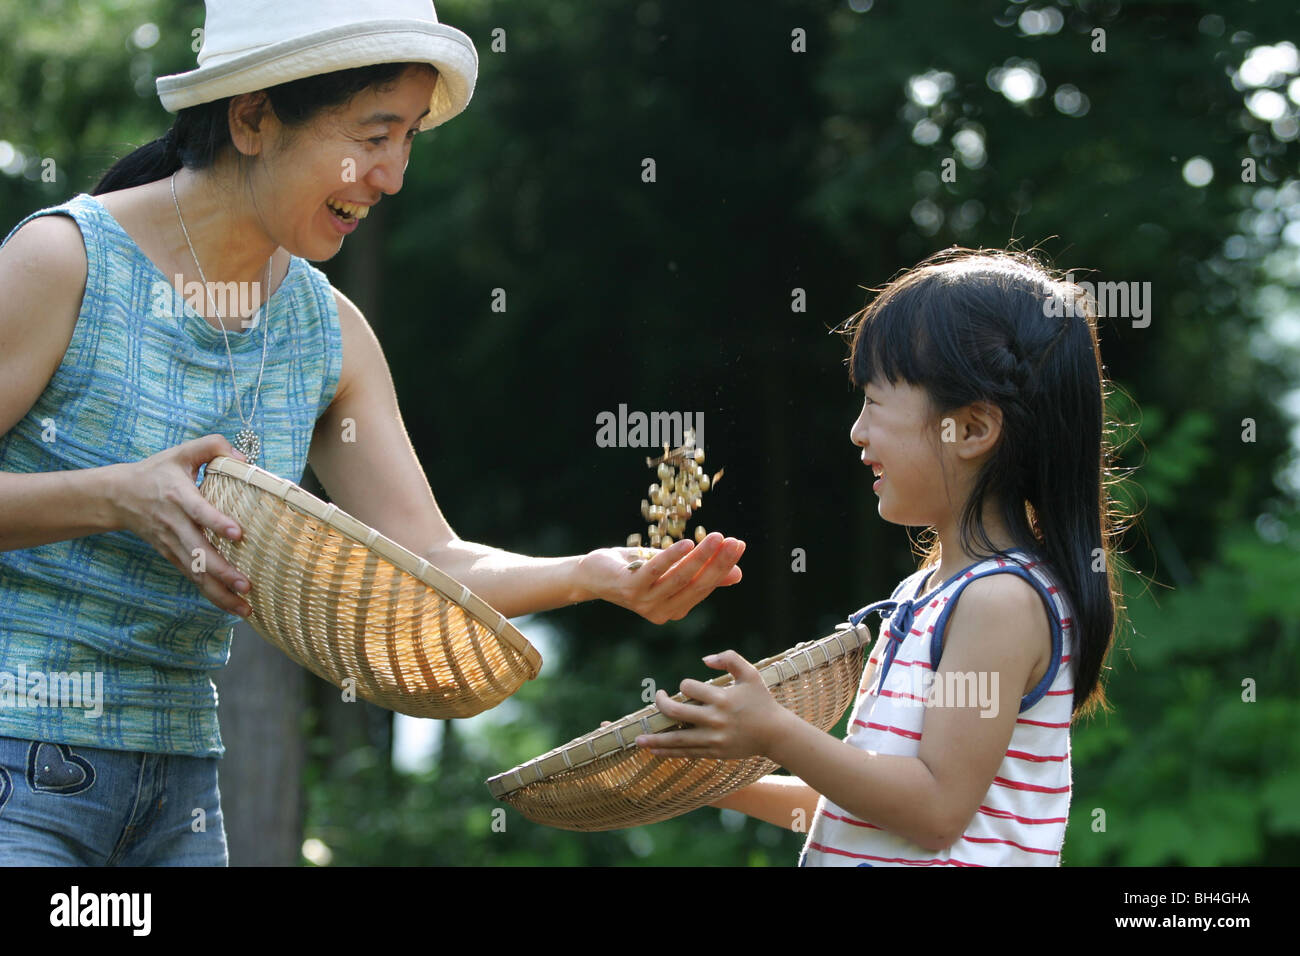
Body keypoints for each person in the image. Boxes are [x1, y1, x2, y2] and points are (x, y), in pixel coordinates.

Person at [0, 0, 744, 865]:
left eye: (409, 139)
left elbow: (430, 558)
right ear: (252, 118)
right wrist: (115, 498)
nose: (390, 176)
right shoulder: (64, 262)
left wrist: (593, 575)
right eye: (372, 134)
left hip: (181, 784)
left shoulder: (329, 334)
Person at [636, 247, 1123, 866]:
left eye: (875, 400)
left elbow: (935, 810)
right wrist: (713, 780)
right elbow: (872, 803)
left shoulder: (1000, 603)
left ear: (971, 429)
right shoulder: (924, 592)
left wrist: (776, 732)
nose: (856, 431)